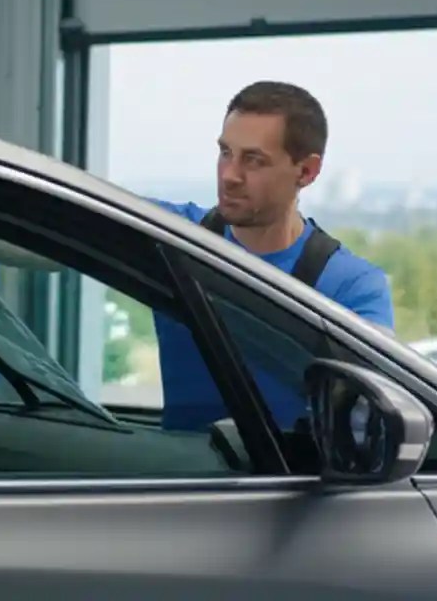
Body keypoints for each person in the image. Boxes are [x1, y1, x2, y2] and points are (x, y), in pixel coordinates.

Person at [148, 80, 394, 432]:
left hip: (281, 484)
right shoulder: (168, 233)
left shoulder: (352, 287)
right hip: (179, 479)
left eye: (254, 160)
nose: (230, 175)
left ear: (306, 171)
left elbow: (368, 420)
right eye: (225, 153)